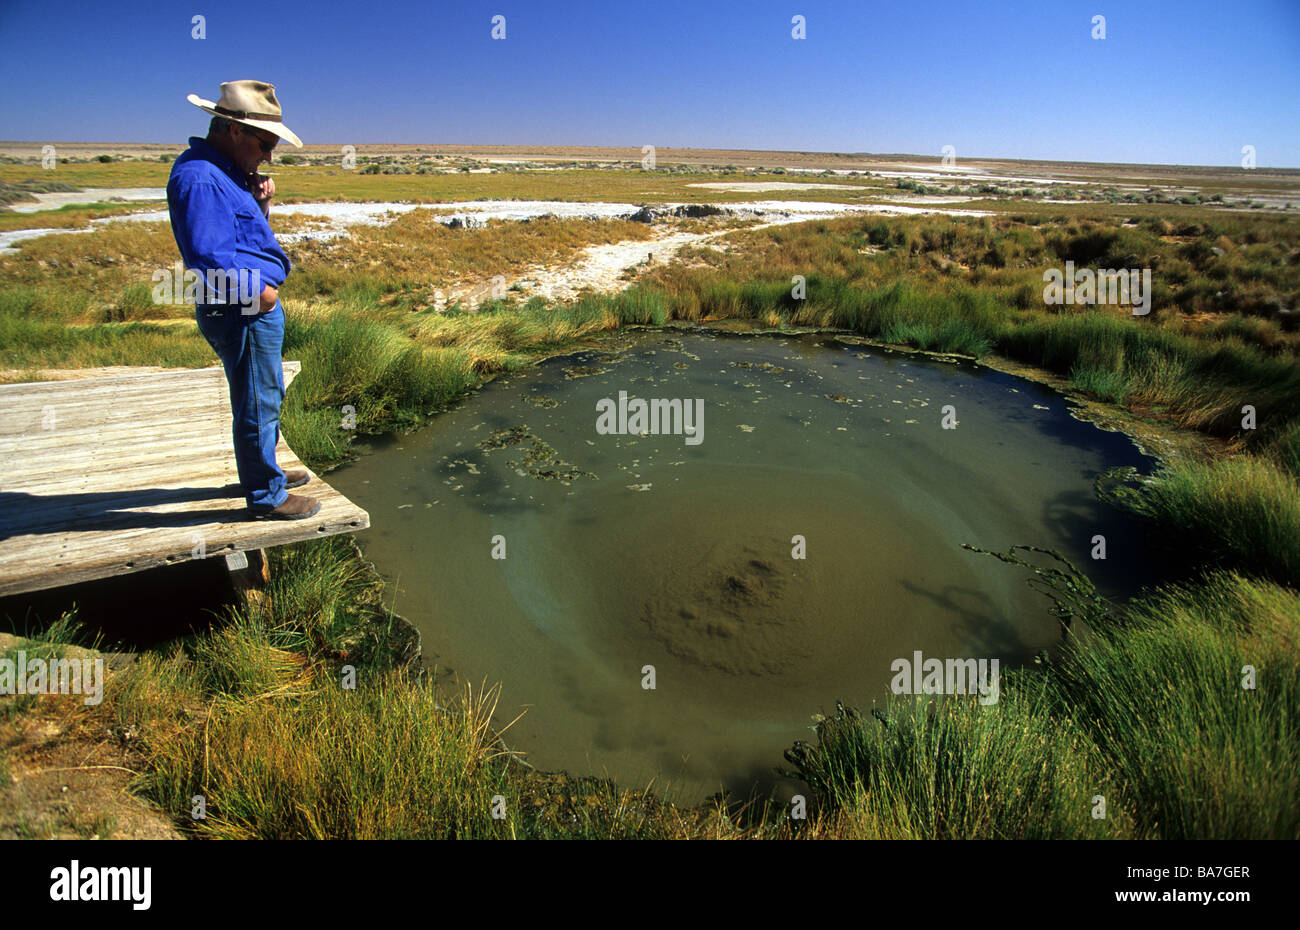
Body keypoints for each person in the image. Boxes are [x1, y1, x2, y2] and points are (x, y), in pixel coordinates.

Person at [167, 80, 320, 519]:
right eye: (266, 142)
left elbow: (243, 240)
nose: (269, 155)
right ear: (235, 131)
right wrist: (264, 296)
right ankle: (266, 496)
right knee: (256, 397)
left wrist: (259, 204)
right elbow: (209, 259)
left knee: (264, 392)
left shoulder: (224, 174)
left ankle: (264, 469)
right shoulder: (201, 178)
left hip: (250, 305)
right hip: (244, 308)